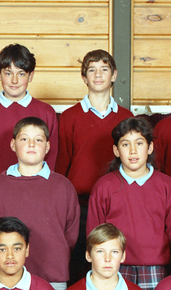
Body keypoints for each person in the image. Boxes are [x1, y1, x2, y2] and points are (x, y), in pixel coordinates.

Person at [0, 117, 80, 290]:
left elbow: (70, 235)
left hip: (52, 277)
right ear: (13, 144)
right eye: (24, 139)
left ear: (47, 146)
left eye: (38, 140)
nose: (31, 144)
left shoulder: (63, 186)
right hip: (7, 278)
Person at [87, 117, 171, 290]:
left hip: (156, 268)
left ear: (150, 147)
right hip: (115, 267)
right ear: (116, 150)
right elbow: (94, 233)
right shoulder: (104, 186)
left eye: (139, 143)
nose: (133, 151)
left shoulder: (167, 185)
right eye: (125, 144)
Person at [55, 49, 133, 201]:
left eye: (104, 69)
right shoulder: (69, 117)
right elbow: (61, 163)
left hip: (118, 196)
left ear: (114, 75)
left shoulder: (127, 117)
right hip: (78, 198)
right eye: (92, 70)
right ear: (84, 78)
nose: (98, 74)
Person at [0, 43, 59, 173]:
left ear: (31, 75)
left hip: (36, 189)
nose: (14, 80)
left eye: (21, 74)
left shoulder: (46, 112)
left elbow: (52, 157)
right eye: (8, 73)